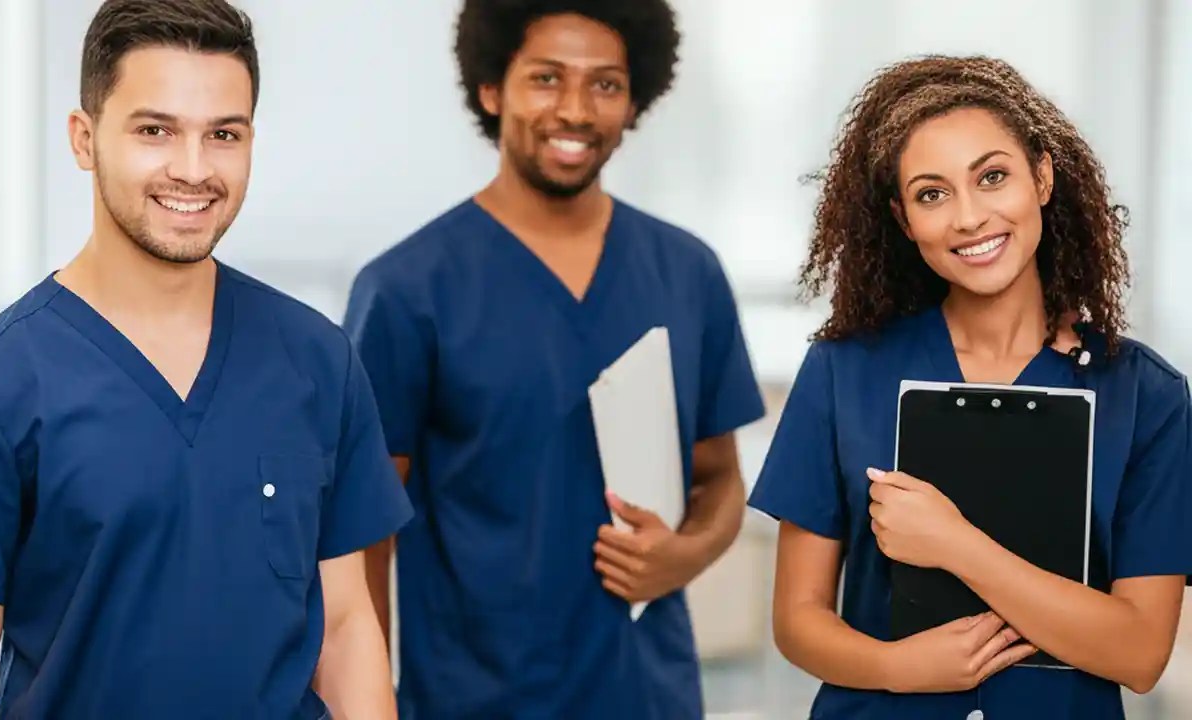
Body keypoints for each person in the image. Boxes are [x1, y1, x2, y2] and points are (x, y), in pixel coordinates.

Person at [0, 1, 411, 718]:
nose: (193, 169)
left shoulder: (317, 361)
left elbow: (345, 629)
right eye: (155, 131)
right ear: (85, 139)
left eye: (223, 135)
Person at [342, 0, 765, 716]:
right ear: (490, 88)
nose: (575, 109)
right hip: (471, 702)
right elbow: (363, 540)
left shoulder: (687, 273)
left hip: (649, 696)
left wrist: (682, 556)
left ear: (634, 102)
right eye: (545, 79)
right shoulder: (407, 290)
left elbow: (721, 479)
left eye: (604, 84)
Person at [749, 55, 1191, 719]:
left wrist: (956, 545)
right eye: (933, 193)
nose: (969, 217)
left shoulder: (1147, 396)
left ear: (1041, 176)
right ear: (903, 218)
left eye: (992, 177)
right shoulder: (844, 371)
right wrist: (896, 667)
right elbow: (797, 619)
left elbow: (1139, 652)